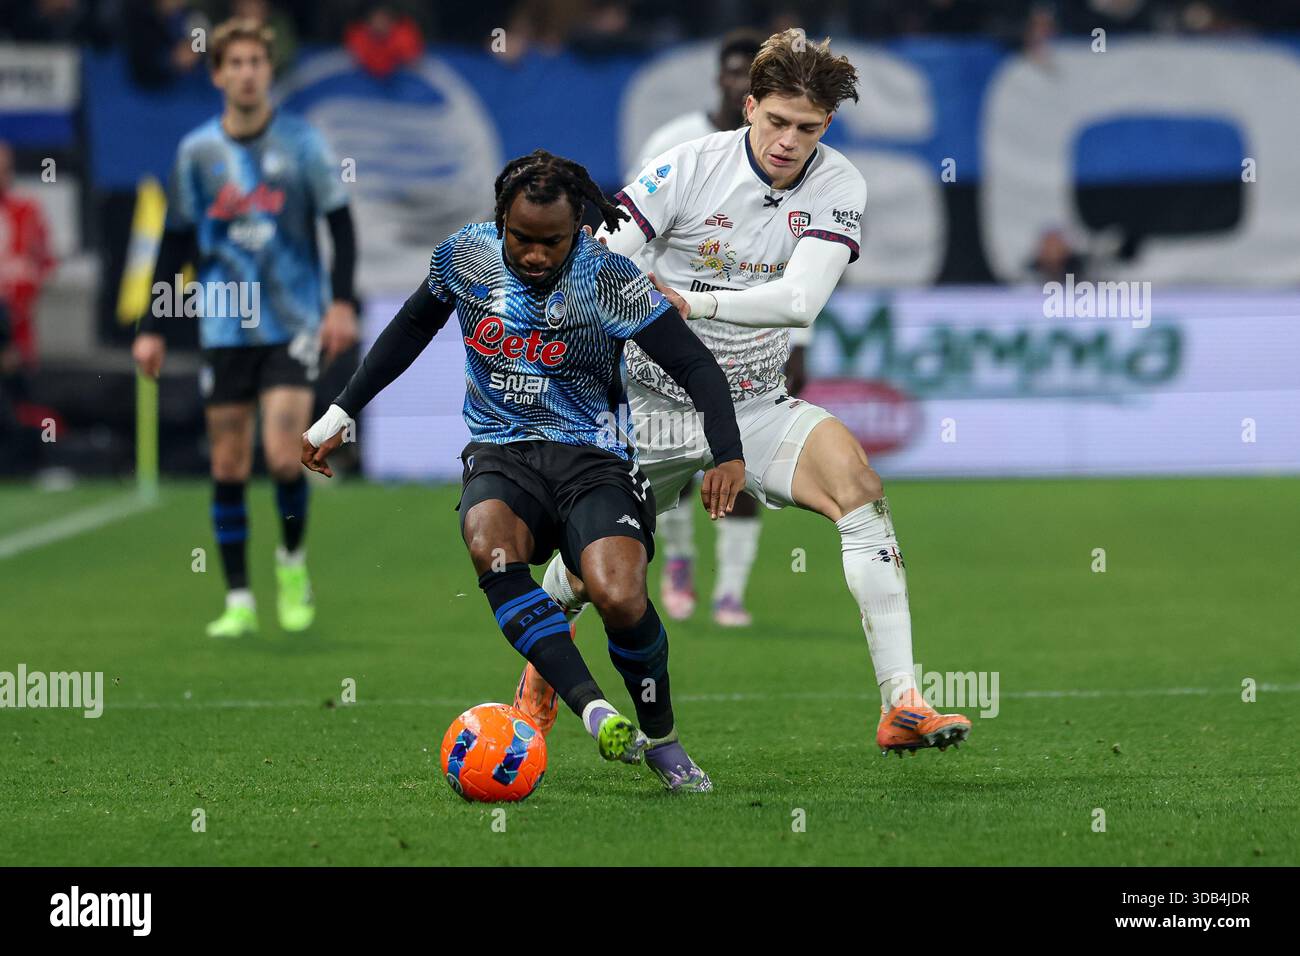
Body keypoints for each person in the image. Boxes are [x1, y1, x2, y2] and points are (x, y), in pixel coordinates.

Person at [515, 29, 973, 757]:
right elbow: (604, 258)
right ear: (749, 107)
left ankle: (902, 703)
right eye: (777, 122)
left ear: (828, 126)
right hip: (656, 410)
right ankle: (541, 677)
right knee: (589, 570)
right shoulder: (687, 167)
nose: (790, 141)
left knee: (860, 490)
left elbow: (800, 302)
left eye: (809, 128)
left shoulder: (839, 184)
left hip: (756, 403)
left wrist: (694, 302)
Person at [301, 150, 746, 792]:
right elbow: (407, 332)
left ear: (579, 232)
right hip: (501, 452)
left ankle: (664, 741)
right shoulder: (464, 257)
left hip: (596, 460)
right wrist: (340, 412)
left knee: (619, 595)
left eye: (552, 243)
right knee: (490, 545)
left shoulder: (611, 280)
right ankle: (593, 709)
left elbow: (697, 366)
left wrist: (726, 452)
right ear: (500, 223)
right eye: (522, 239)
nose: (535, 255)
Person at [132, 18, 359, 637]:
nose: (246, 73)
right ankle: (237, 598)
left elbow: (339, 225)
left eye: (256, 62)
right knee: (229, 464)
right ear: (217, 73)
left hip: (292, 323)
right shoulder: (197, 153)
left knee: (284, 455)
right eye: (234, 63)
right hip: (223, 326)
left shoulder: (303, 145)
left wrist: (341, 303)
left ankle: (290, 567)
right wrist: (152, 322)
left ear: (268, 71)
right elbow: (174, 240)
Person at [629, 27, 809, 628]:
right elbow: (633, 234)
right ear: (727, 84)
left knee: (743, 464)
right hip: (666, 332)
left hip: (750, 338)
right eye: (733, 74)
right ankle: (678, 566)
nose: (738, 84)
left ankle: (730, 590)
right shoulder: (675, 144)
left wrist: (799, 340)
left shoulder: (793, 162)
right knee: (668, 469)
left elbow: (796, 260)